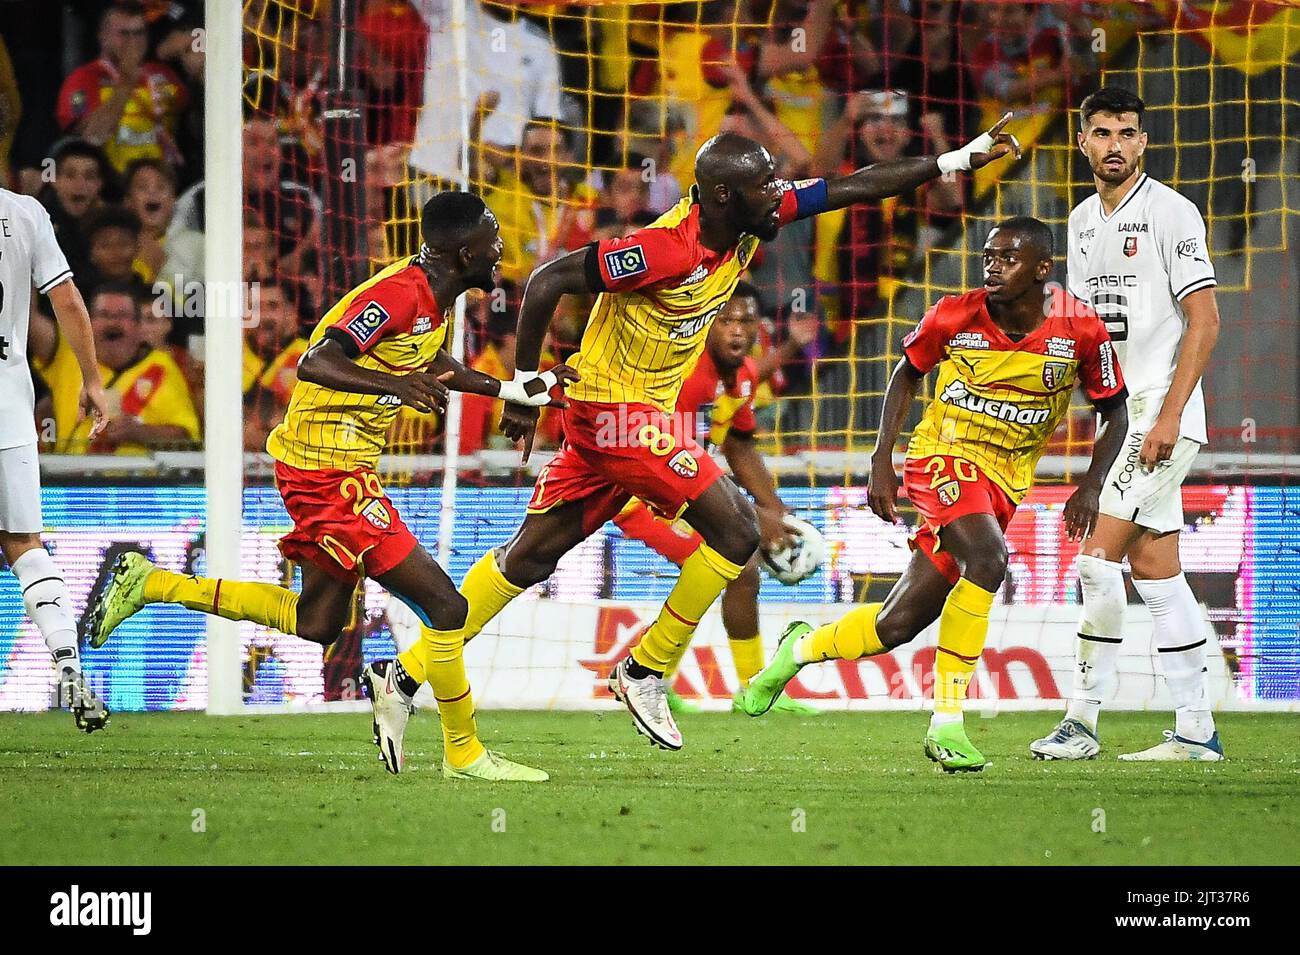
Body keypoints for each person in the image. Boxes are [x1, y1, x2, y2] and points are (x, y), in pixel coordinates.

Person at [378, 117, 1020, 764]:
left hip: (633, 417)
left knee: (529, 558)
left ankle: (402, 675)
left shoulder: (747, 220)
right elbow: (548, 279)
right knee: (737, 533)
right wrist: (520, 385)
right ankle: (645, 669)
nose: (780, 194)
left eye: (775, 182)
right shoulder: (664, 250)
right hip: (612, 412)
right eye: (765, 185)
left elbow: (852, 187)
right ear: (720, 197)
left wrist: (954, 159)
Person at [86, 193, 574, 781]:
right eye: (494, 237)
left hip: (338, 467)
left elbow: (437, 366)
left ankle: (152, 583)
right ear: (464, 250)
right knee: (447, 606)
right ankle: (463, 752)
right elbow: (317, 361)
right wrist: (391, 384)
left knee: (318, 623)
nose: (502, 249)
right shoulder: (396, 293)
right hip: (326, 471)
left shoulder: (431, 302)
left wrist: (512, 392)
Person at [739, 217, 1130, 773]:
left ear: (1044, 270)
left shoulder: (1080, 329)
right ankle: (947, 723)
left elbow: (1115, 410)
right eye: (989, 257)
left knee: (896, 625)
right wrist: (881, 460)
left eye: (1008, 259)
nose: (993, 268)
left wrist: (1091, 486)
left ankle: (796, 651)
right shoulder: (955, 314)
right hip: (941, 455)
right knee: (990, 560)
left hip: (1006, 478)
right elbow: (907, 373)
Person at [1031, 88, 1225, 762]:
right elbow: (1085, 337)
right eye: (1103, 133)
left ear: (1143, 143)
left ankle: (1081, 721)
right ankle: (1198, 730)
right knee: (1154, 565)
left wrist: (1169, 411)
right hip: (1122, 416)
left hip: (1162, 411)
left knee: (1094, 559)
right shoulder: (1082, 221)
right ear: (1082, 142)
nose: (1116, 145)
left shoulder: (1173, 213)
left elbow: (1206, 320)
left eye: (1128, 133)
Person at [611, 282, 818, 716]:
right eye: (726, 321)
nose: (736, 331)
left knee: (728, 570)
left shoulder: (740, 379)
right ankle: (722, 685)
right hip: (634, 490)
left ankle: (655, 678)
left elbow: (739, 446)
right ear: (707, 326)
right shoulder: (687, 378)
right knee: (734, 564)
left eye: (745, 321)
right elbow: (672, 460)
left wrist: (775, 508)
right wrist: (753, 514)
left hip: (672, 485)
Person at [0, 185, 111, 730]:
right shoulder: (26, 213)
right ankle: (67, 660)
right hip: (9, 405)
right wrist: (91, 378)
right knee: (24, 546)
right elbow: (65, 299)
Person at [33, 282, 199, 454]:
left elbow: (187, 437)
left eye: (122, 315)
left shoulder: (161, 367)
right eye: (103, 314)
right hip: (66, 477)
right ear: (88, 322)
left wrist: (141, 432)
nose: (112, 322)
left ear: (138, 326)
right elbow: (29, 319)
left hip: (134, 479)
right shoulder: (69, 353)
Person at [56, 2, 188, 174]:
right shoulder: (84, 78)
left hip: (162, 182)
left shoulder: (163, 73)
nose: (133, 41)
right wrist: (126, 83)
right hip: (112, 188)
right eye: (124, 34)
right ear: (103, 36)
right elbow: (91, 138)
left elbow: (190, 123)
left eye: (139, 33)